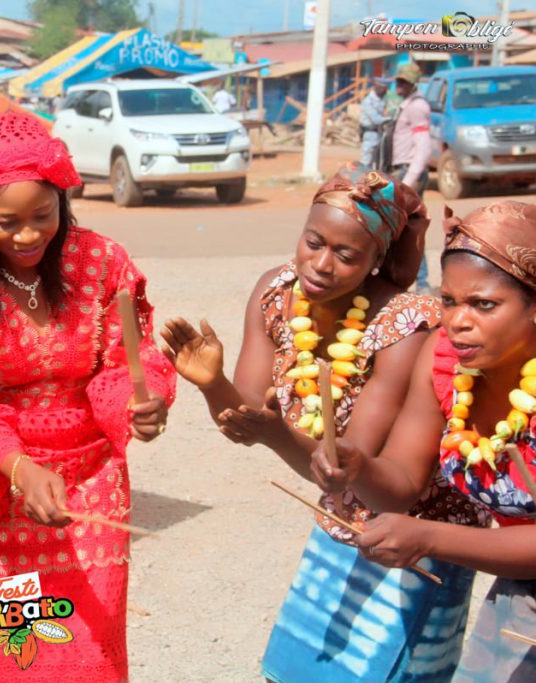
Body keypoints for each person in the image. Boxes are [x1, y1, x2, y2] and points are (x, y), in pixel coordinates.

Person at [160, 164, 486, 683]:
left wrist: (271, 431)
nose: (321, 264)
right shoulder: (277, 293)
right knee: (295, 672)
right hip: (343, 524)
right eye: (313, 242)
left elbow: (352, 469)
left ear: (378, 259)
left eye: (346, 254)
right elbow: (248, 417)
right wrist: (211, 382)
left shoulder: (406, 324)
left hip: (418, 536)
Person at [0, 112, 176, 681]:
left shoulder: (103, 263)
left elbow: (130, 360)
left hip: (92, 482)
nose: (29, 235)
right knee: (14, 652)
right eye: (8, 223)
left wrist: (141, 402)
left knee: (90, 641)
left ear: (63, 201)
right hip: (0, 495)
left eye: (43, 216)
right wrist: (20, 469)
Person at [312, 200, 536, 682]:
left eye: (484, 304)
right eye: (449, 300)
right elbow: (401, 484)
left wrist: (430, 537)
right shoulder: (446, 363)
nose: (457, 320)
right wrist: (358, 466)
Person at [389, 61, 433, 293]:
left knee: (409, 228)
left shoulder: (417, 107)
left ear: (413, 84)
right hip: (400, 170)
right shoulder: (404, 105)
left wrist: (408, 182)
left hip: (409, 172)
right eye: (398, 80)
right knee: (398, 228)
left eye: (404, 81)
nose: (399, 85)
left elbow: (424, 148)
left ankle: (422, 282)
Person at [359, 77, 391, 170]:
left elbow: (391, 109)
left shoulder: (383, 99)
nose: (385, 91)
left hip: (379, 133)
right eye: (383, 88)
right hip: (370, 134)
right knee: (366, 162)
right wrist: (390, 119)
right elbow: (376, 119)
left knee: (377, 163)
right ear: (377, 87)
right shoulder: (368, 101)